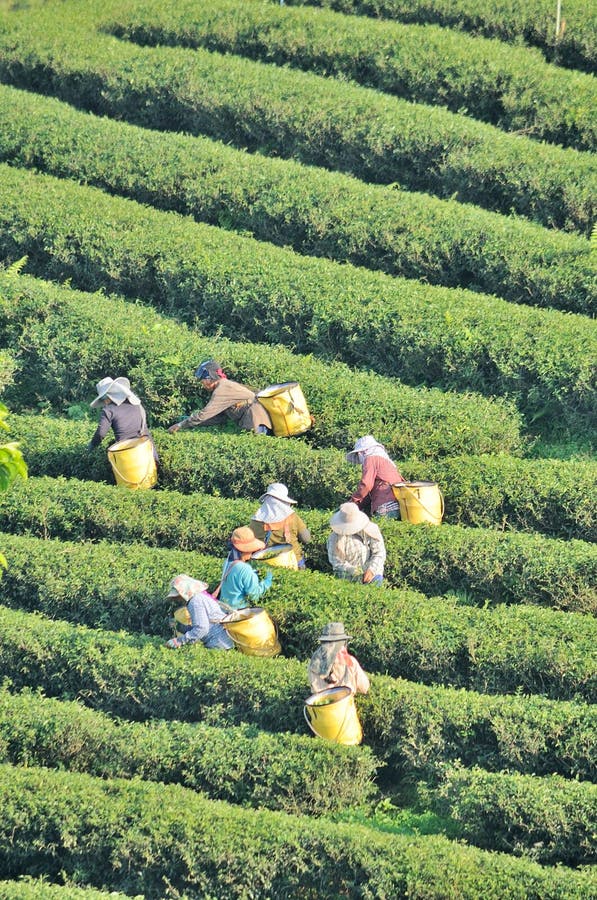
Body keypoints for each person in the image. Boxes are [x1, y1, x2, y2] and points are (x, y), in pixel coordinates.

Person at [167, 359, 273, 435]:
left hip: (257, 422)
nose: (202, 383)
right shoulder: (224, 386)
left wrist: (180, 425)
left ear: (209, 378)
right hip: (257, 422)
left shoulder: (222, 389)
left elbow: (204, 414)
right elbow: (218, 418)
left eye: (202, 380)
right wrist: (189, 422)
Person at [88, 376, 157, 459]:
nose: (104, 401)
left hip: (128, 454)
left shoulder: (109, 410)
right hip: (149, 451)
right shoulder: (136, 404)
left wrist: (91, 447)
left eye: (104, 397)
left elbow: (100, 434)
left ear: (111, 394)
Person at [250, 482, 311, 569]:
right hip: (293, 561)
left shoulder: (256, 519)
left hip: (264, 563)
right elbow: (306, 539)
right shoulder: (293, 517)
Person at [165, 574, 233, 650]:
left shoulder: (195, 602)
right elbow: (203, 624)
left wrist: (179, 641)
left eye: (178, 596)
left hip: (218, 643)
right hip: (225, 640)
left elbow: (202, 629)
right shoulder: (200, 596)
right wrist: (180, 627)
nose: (177, 599)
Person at [346, 435, 405, 518]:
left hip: (385, 507)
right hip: (399, 506)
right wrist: (356, 505)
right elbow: (368, 493)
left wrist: (352, 502)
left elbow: (366, 485)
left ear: (362, 452)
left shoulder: (371, 459)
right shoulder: (385, 461)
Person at [327, 502, 386, 585]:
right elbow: (337, 562)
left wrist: (371, 570)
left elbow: (379, 552)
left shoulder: (371, 530)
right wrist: (355, 571)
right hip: (347, 577)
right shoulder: (334, 538)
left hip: (372, 573)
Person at [218, 526, 273, 609]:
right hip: (239, 612)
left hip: (224, 608)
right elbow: (254, 595)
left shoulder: (228, 561)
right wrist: (267, 581)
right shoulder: (245, 569)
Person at [308, 622, 370, 695]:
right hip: (345, 705)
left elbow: (315, 691)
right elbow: (364, 687)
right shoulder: (350, 661)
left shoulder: (314, 663)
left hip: (322, 705)